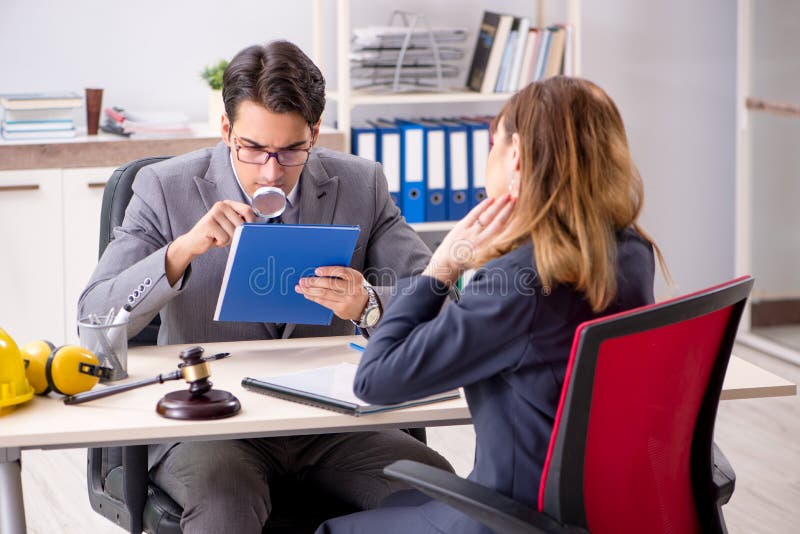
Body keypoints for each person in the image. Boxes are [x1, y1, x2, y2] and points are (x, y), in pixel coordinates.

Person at [79, 40, 452, 533]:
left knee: (437, 491)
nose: (270, 171)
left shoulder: (361, 183)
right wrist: (178, 253)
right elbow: (95, 314)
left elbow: (434, 297)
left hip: (331, 420)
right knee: (226, 502)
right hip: (212, 426)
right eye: (253, 149)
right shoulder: (164, 187)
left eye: (291, 150)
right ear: (226, 129)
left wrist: (369, 302)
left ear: (315, 133)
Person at [315, 76, 669, 534]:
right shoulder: (631, 250)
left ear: (516, 156)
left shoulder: (519, 284)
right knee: (401, 501)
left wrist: (440, 269)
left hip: (514, 515)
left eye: (491, 144)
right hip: (603, 505)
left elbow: (376, 379)